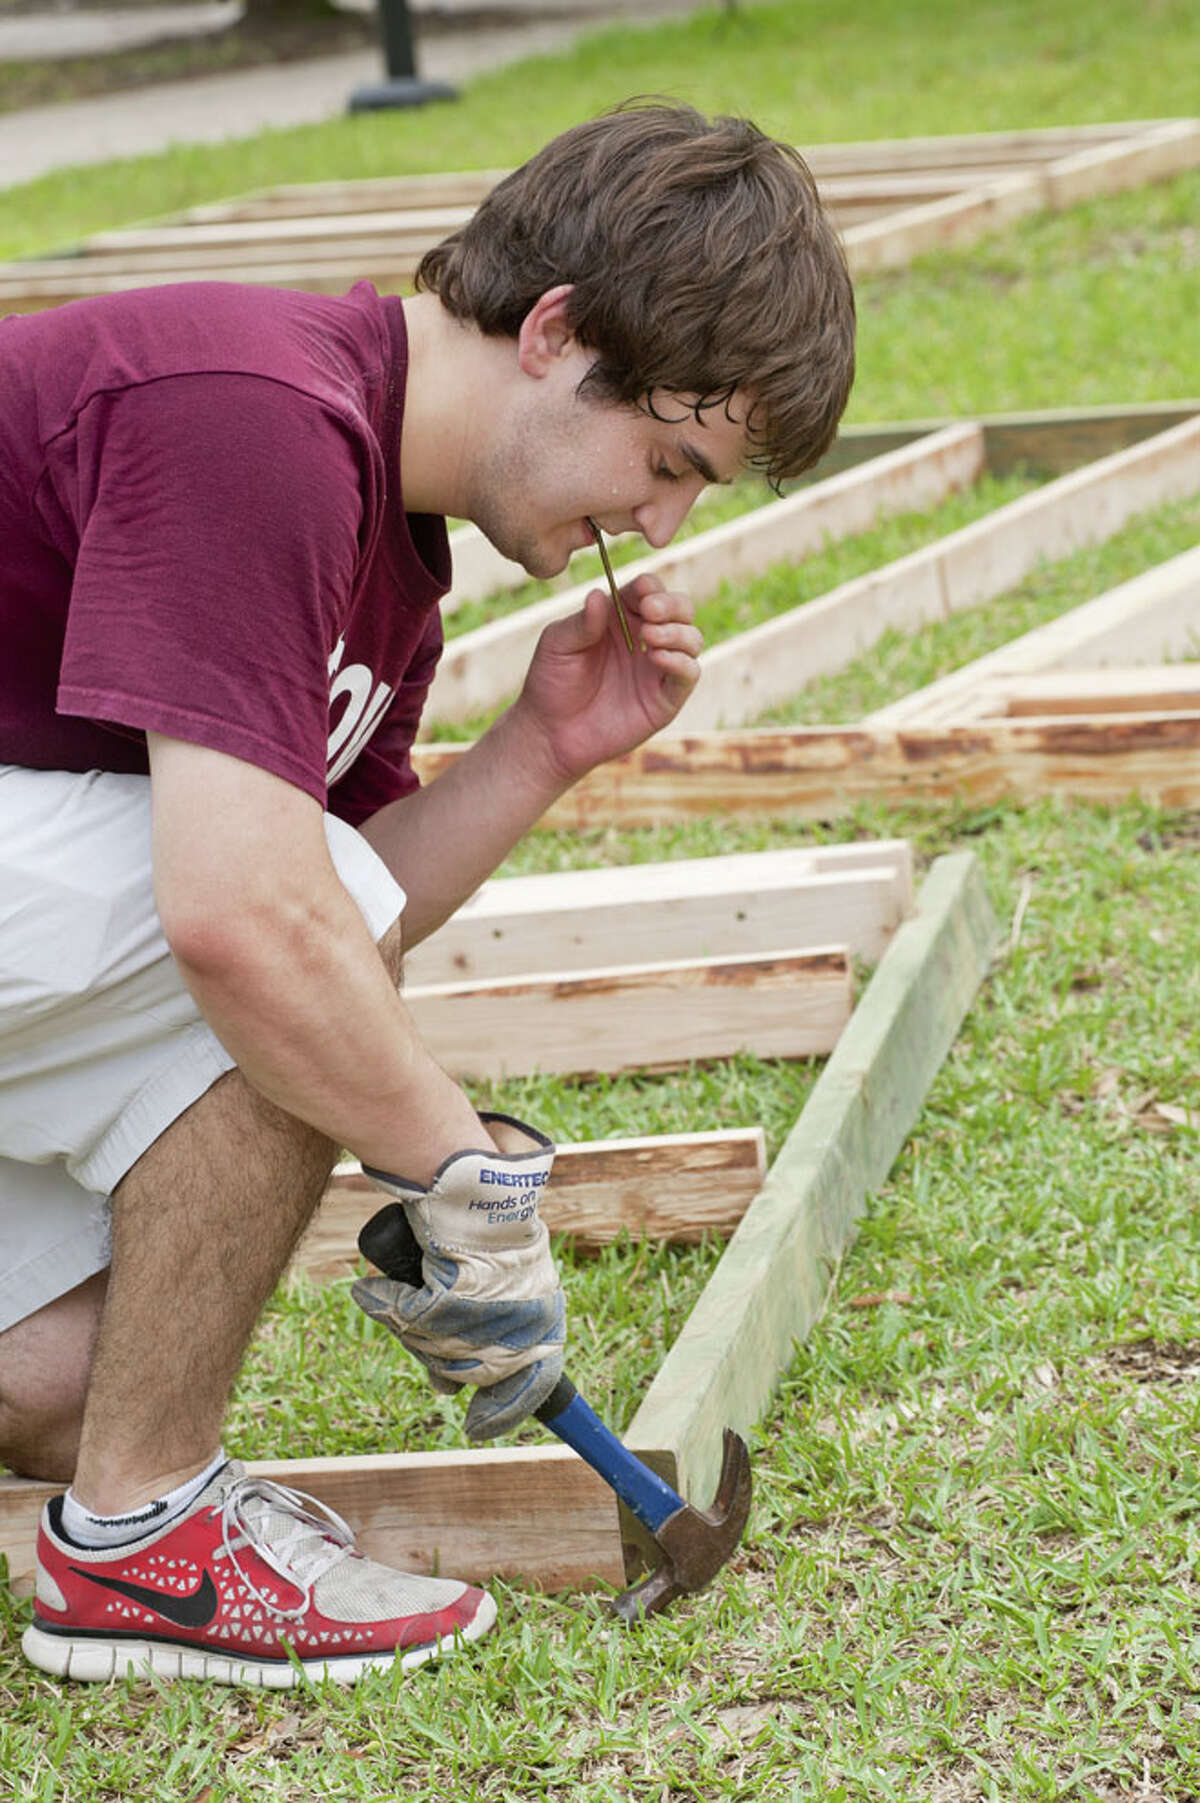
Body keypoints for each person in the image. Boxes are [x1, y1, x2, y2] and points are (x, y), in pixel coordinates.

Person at [0, 100, 855, 1687]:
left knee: (62, 1379)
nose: (661, 524)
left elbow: (350, 898)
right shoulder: (254, 415)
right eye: (667, 459)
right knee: (284, 934)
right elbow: (254, 920)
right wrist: (468, 1182)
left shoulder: (390, 562)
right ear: (552, 330)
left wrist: (540, 749)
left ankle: (120, 1476)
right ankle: (140, 1546)